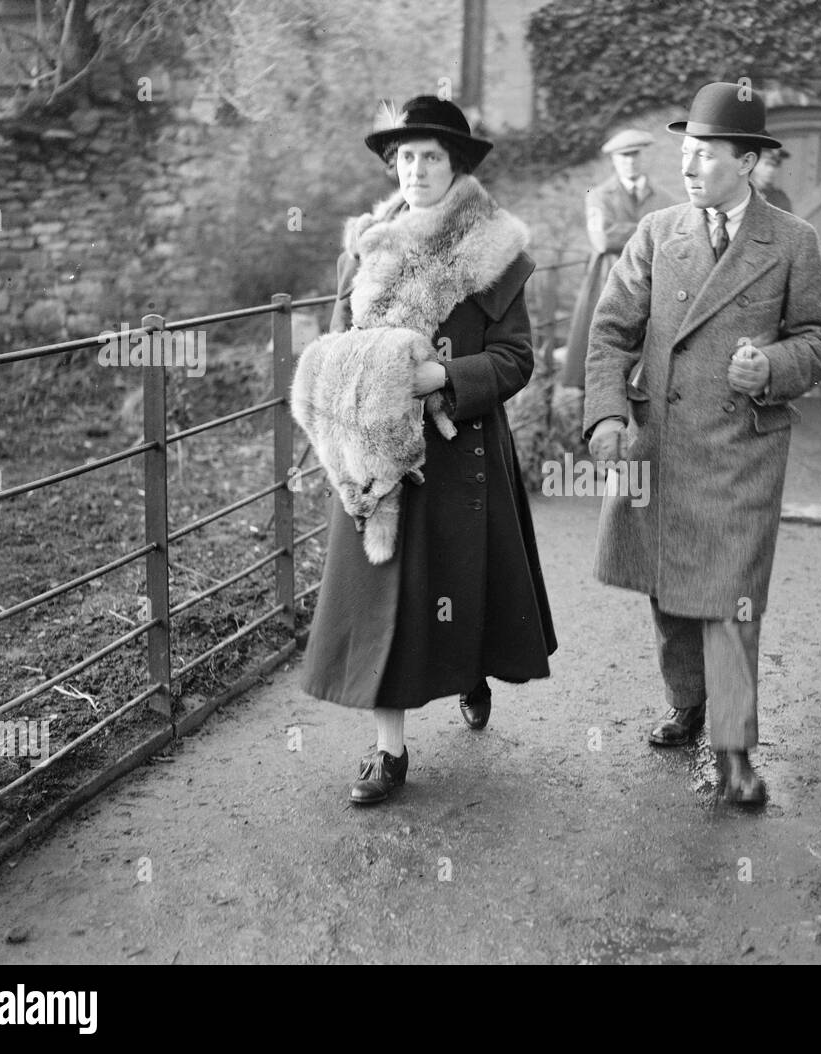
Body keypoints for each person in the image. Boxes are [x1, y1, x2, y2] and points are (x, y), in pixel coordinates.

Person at [582, 82, 821, 806]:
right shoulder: (658, 234)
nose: (689, 166)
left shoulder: (793, 241)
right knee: (669, 594)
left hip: (742, 448)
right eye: (685, 152)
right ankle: (687, 702)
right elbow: (610, 333)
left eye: (705, 154)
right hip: (661, 445)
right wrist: (606, 418)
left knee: (731, 600)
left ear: (749, 162)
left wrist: (774, 368)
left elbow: (819, 342)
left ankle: (733, 751)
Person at [299, 96, 557, 805]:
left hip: (460, 450)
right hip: (380, 453)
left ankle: (469, 668)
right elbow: (336, 342)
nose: (416, 169)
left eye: (432, 156)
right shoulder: (367, 247)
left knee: (458, 587)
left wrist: (443, 375)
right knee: (388, 598)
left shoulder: (495, 252)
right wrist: (353, 387)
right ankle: (388, 752)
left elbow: (516, 359)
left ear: (457, 166)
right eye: (405, 156)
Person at [558, 129, 661, 390]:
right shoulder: (600, 195)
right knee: (607, 339)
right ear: (614, 160)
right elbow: (602, 239)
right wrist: (649, 229)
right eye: (623, 156)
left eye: (635, 154)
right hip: (609, 275)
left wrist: (626, 229)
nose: (630, 161)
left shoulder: (661, 197)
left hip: (651, 277)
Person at [753, 146, 792, 213]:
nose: (771, 170)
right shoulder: (740, 193)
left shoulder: (780, 198)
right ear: (754, 163)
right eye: (767, 164)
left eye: (775, 165)